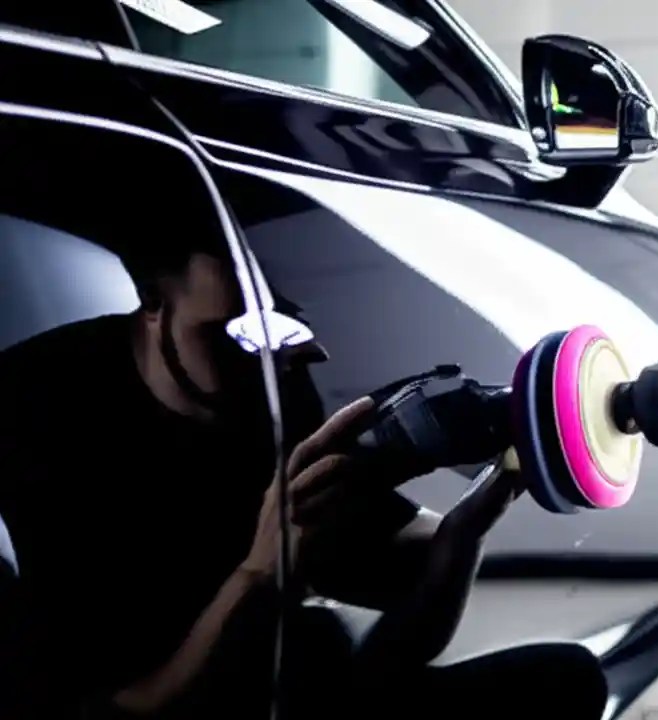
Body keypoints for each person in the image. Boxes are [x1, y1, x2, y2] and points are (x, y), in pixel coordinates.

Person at [0, 237, 605, 719]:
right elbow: (125, 709)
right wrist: (260, 571)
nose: (271, 361)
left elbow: (399, 651)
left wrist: (462, 533)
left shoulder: (269, 393)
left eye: (284, 330)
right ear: (153, 300)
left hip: (288, 684)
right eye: (236, 333)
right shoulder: (39, 414)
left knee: (564, 680)